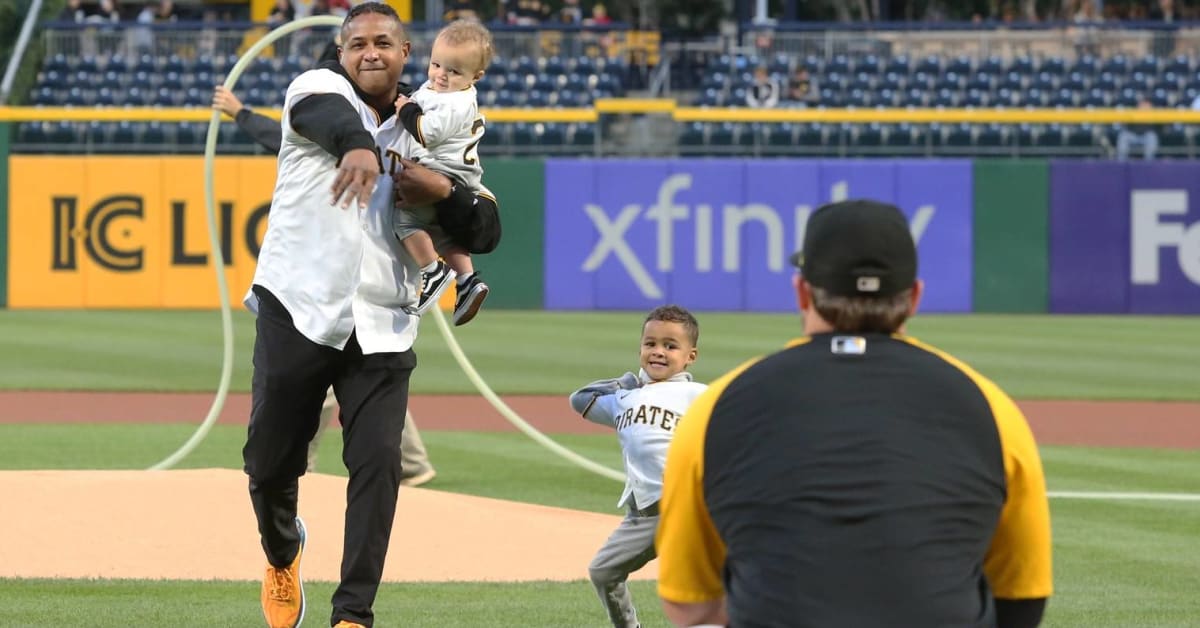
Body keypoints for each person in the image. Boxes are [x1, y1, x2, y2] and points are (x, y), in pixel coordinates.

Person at [656, 199, 1053, 628]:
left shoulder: (714, 409)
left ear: (802, 291)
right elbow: (1023, 601)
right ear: (914, 296)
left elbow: (689, 606)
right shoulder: (993, 409)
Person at [242, 5, 499, 628]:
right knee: (270, 464)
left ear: (407, 51)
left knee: (379, 462)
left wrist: (441, 191)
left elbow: (485, 225)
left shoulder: (434, 117)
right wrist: (360, 146)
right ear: (342, 50)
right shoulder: (317, 86)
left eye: (384, 41)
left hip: (383, 319)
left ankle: (352, 613)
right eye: (357, 43)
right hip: (298, 308)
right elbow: (327, 121)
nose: (370, 52)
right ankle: (282, 552)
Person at [212, 73, 438, 489]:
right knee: (365, 377)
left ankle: (315, 464)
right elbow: (286, 129)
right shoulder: (328, 125)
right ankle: (409, 462)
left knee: (339, 375)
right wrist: (242, 113)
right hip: (335, 278)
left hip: (355, 277)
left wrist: (240, 111)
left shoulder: (373, 128)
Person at [568, 305, 708, 628]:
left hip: (688, 509)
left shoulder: (696, 394)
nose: (659, 352)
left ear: (691, 356)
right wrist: (625, 383)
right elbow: (580, 399)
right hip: (644, 515)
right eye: (651, 344)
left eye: (671, 346)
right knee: (603, 571)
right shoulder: (625, 398)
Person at [391, 19, 492, 324]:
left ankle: (432, 272)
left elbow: (427, 132)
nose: (441, 76)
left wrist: (405, 108)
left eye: (453, 71)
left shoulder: (458, 102)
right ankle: (467, 281)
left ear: (476, 76)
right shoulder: (441, 90)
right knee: (441, 233)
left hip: (443, 172)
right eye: (436, 65)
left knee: (405, 221)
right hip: (451, 173)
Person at [1116, 97, 1160, 161]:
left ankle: (1149, 164)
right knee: (1123, 136)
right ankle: (1121, 163)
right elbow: (1125, 124)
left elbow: (1160, 128)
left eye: (1146, 105)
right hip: (1133, 135)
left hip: (1146, 136)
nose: (1144, 107)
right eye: (1142, 105)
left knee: (1152, 137)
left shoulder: (1153, 114)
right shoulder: (1133, 112)